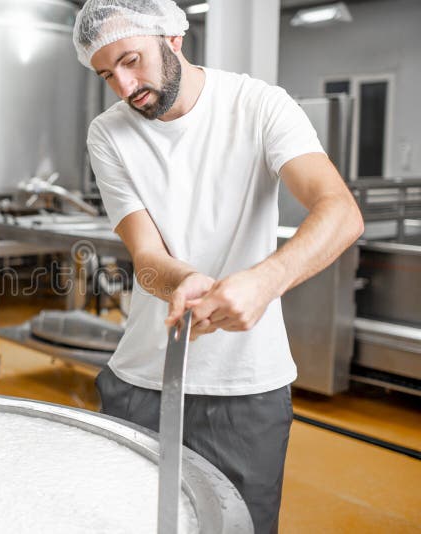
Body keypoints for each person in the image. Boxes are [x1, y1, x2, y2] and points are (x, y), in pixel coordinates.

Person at [73, 1, 364, 532]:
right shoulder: (108, 133)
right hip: (141, 378)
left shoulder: (260, 106)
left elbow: (340, 211)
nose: (124, 85)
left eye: (132, 60)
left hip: (246, 390)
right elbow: (147, 257)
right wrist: (186, 280)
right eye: (107, 74)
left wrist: (264, 281)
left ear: (173, 38)